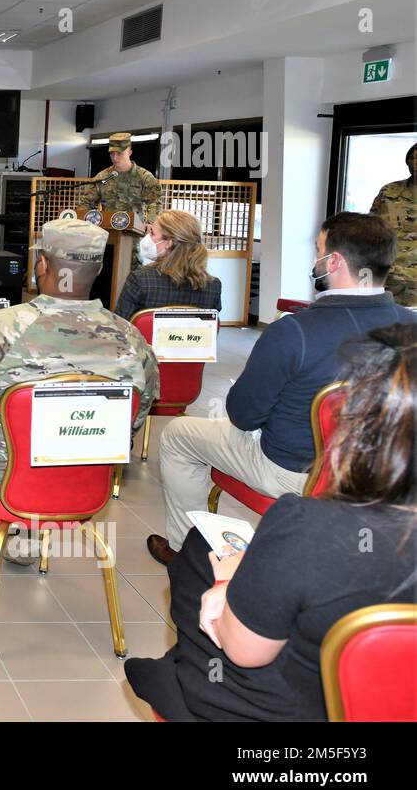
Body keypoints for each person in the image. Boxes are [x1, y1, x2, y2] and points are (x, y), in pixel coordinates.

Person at [126, 323, 417, 721]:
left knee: (201, 553)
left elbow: (245, 651)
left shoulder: (308, 525)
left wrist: (228, 583)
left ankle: (181, 677)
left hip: (299, 708)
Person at [149, 211, 417, 565]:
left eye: (318, 250)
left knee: (179, 435)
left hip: (296, 473)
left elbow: (243, 416)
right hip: (387, 475)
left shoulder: (294, 332)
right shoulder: (411, 326)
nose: (315, 259)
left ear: (334, 261)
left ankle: (188, 555)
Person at [0, 218, 159, 569]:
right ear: (99, 269)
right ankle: (28, 538)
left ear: (41, 264)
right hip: (83, 482)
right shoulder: (134, 342)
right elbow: (130, 427)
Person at [113, 209, 222, 320]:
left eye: (152, 233)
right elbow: (210, 331)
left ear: (169, 243)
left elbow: (120, 326)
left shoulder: (140, 280)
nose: (147, 237)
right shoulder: (214, 286)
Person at [78, 131, 162, 271]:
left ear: (129, 152)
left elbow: (154, 202)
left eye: (119, 153)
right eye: (112, 154)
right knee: (105, 271)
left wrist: (150, 222)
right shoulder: (103, 176)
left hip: (133, 237)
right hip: (106, 236)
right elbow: (87, 202)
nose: (115, 158)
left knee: (131, 271)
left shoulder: (144, 177)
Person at [369, 142, 417, 306]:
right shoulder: (389, 192)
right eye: (412, 158)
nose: (415, 162)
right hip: (388, 280)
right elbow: (369, 230)